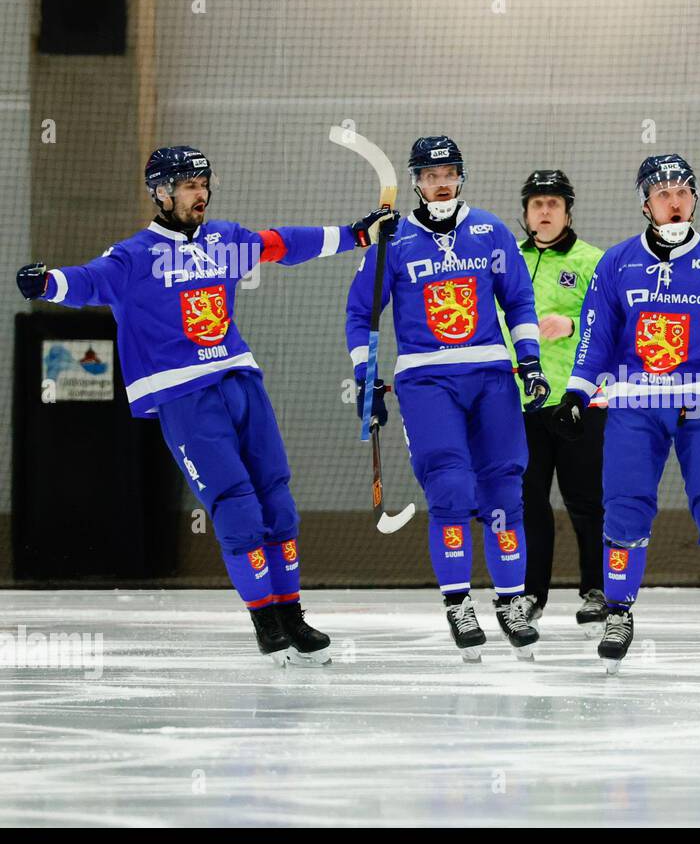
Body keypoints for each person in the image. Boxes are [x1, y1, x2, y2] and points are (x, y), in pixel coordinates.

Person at [15, 146, 395, 665]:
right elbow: (88, 281)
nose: (201, 194)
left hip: (240, 379)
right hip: (184, 395)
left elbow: (283, 243)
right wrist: (47, 283)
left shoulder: (226, 241)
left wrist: (356, 233)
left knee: (276, 500)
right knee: (236, 504)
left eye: (204, 183)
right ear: (161, 192)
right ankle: (265, 620)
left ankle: (292, 613)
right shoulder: (135, 256)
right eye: (190, 185)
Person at [552, 154, 700, 675]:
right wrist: (576, 391)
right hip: (636, 404)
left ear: (694, 198)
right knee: (624, 507)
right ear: (646, 204)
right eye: (663, 193)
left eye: (683, 190)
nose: (675, 200)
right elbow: (595, 338)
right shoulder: (616, 264)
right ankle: (618, 612)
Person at [345, 135, 549, 661]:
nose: (441, 182)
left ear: (461, 176)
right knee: (452, 486)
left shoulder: (490, 230)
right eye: (431, 174)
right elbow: (360, 314)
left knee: (505, 491)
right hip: (427, 381)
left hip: (491, 376)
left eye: (449, 172)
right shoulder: (394, 241)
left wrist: (529, 361)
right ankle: (458, 602)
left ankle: (510, 602)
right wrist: (366, 377)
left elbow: (520, 299)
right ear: (416, 181)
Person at [500, 170, 607, 635]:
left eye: (554, 204)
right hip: (519, 403)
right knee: (528, 502)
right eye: (537, 204)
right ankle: (530, 594)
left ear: (567, 212)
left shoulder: (593, 261)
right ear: (525, 213)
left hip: (578, 401)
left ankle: (597, 590)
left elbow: (614, 329)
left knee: (586, 500)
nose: (545, 211)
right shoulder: (505, 259)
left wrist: (573, 324)